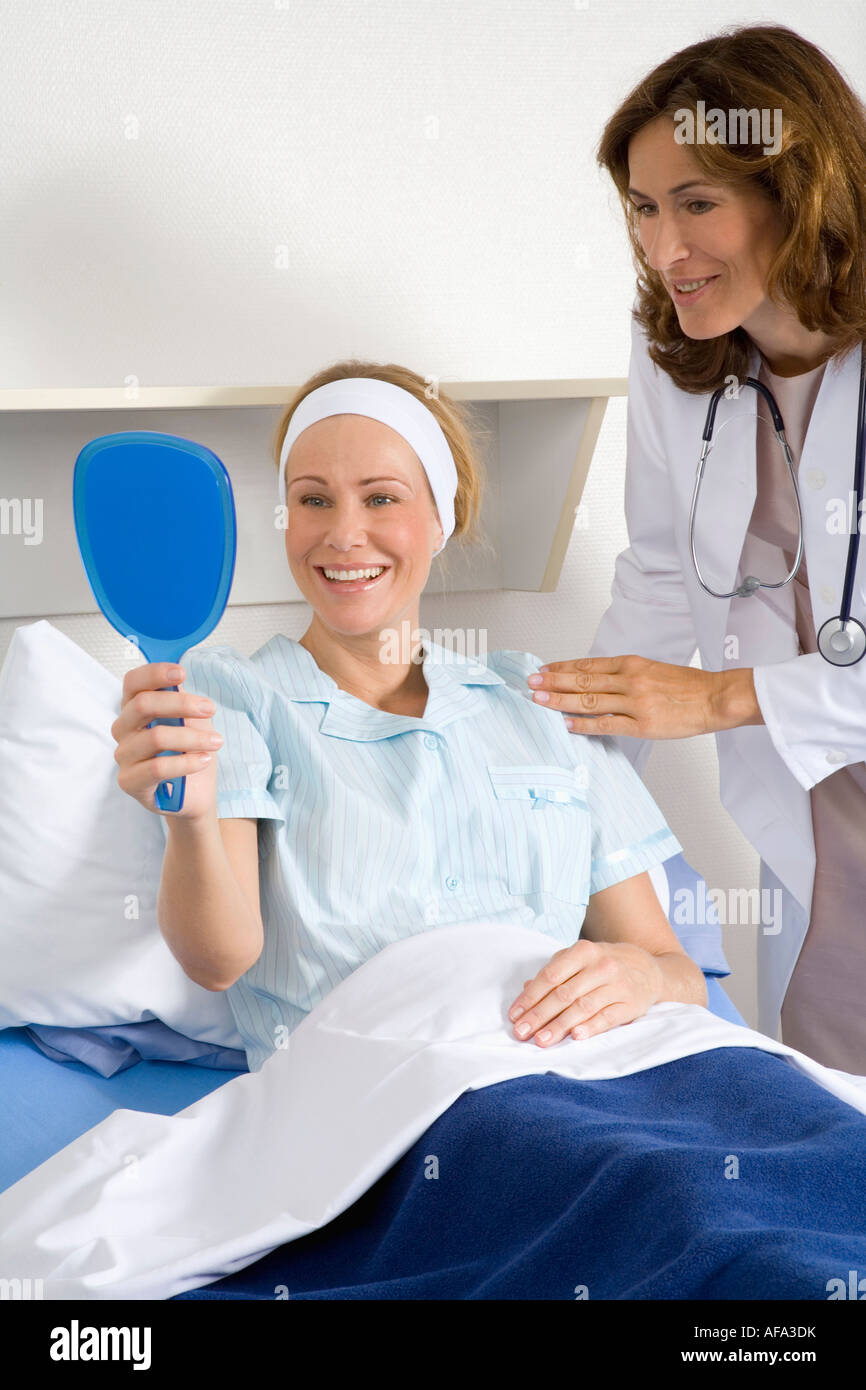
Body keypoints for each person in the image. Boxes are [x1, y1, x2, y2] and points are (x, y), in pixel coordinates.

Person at [104, 364, 866, 1303]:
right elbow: (222, 959)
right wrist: (184, 818)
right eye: (312, 500)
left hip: (628, 1063)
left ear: (442, 517)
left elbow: (671, 968)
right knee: (684, 1215)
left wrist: (635, 974)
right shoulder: (232, 696)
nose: (344, 534)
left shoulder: (535, 700)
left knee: (828, 1157)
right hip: (418, 1097)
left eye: (382, 497)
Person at [526, 25, 866, 1072]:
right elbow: (663, 575)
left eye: (697, 203)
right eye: (641, 206)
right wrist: (558, 766)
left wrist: (715, 698)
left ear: (796, 190)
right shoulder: (676, 349)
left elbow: (702, 680)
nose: (662, 249)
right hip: (822, 826)